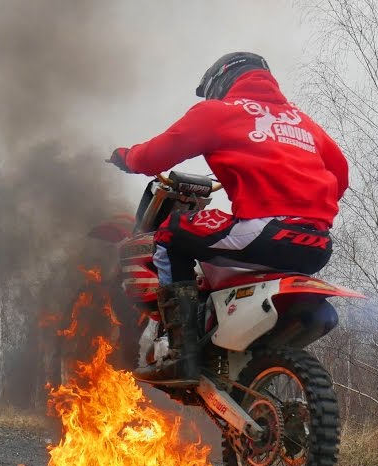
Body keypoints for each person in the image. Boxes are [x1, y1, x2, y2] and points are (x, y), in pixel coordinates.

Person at [109, 51, 350, 385]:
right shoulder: (302, 122)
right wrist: (303, 204)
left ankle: (182, 354)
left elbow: (154, 156)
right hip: (316, 243)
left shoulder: (220, 112)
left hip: (265, 231)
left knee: (170, 235)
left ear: (221, 80)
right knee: (222, 244)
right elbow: (340, 175)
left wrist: (126, 157)